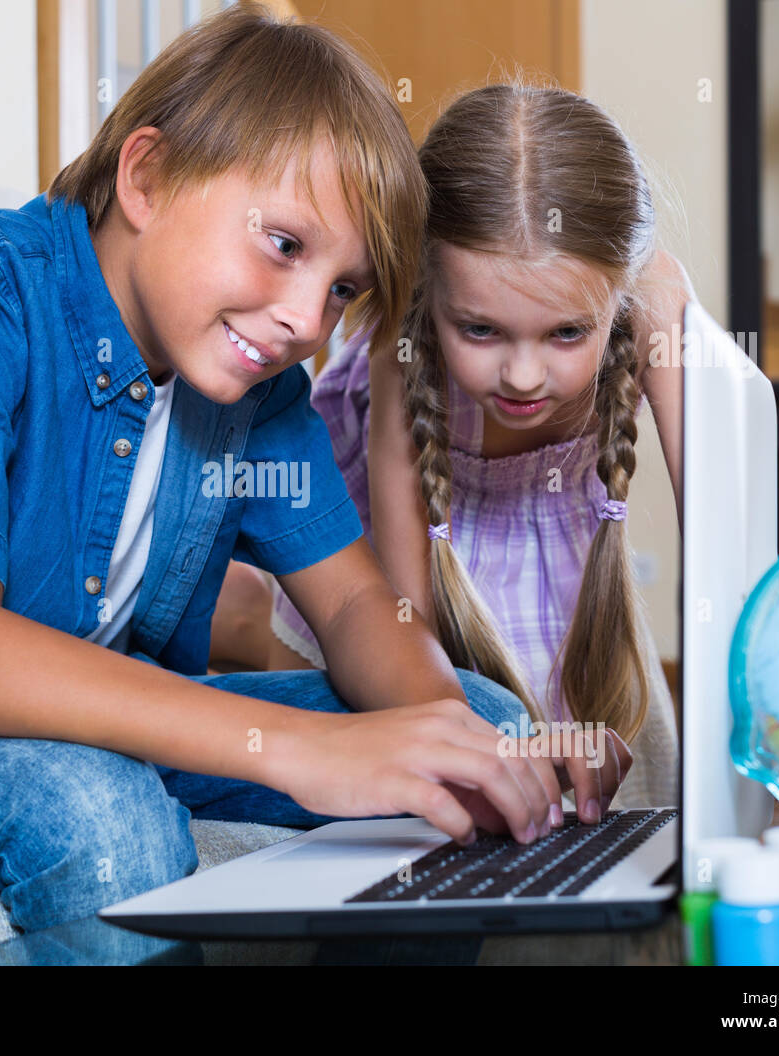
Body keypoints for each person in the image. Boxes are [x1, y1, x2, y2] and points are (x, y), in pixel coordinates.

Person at [0, 9, 628, 934]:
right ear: (145, 179)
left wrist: (436, 731)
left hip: (89, 723)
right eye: (282, 245)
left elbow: (360, 605)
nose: (303, 320)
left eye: (340, 290)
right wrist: (298, 749)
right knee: (102, 819)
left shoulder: (257, 390)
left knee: (480, 732)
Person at [216, 82, 693, 809]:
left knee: (595, 754)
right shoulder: (398, 351)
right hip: (404, 544)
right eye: (479, 330)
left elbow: (724, 541)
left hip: (547, 525)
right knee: (370, 683)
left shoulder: (655, 300)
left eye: (568, 333)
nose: (524, 376)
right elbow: (406, 619)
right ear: (429, 291)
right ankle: (250, 613)